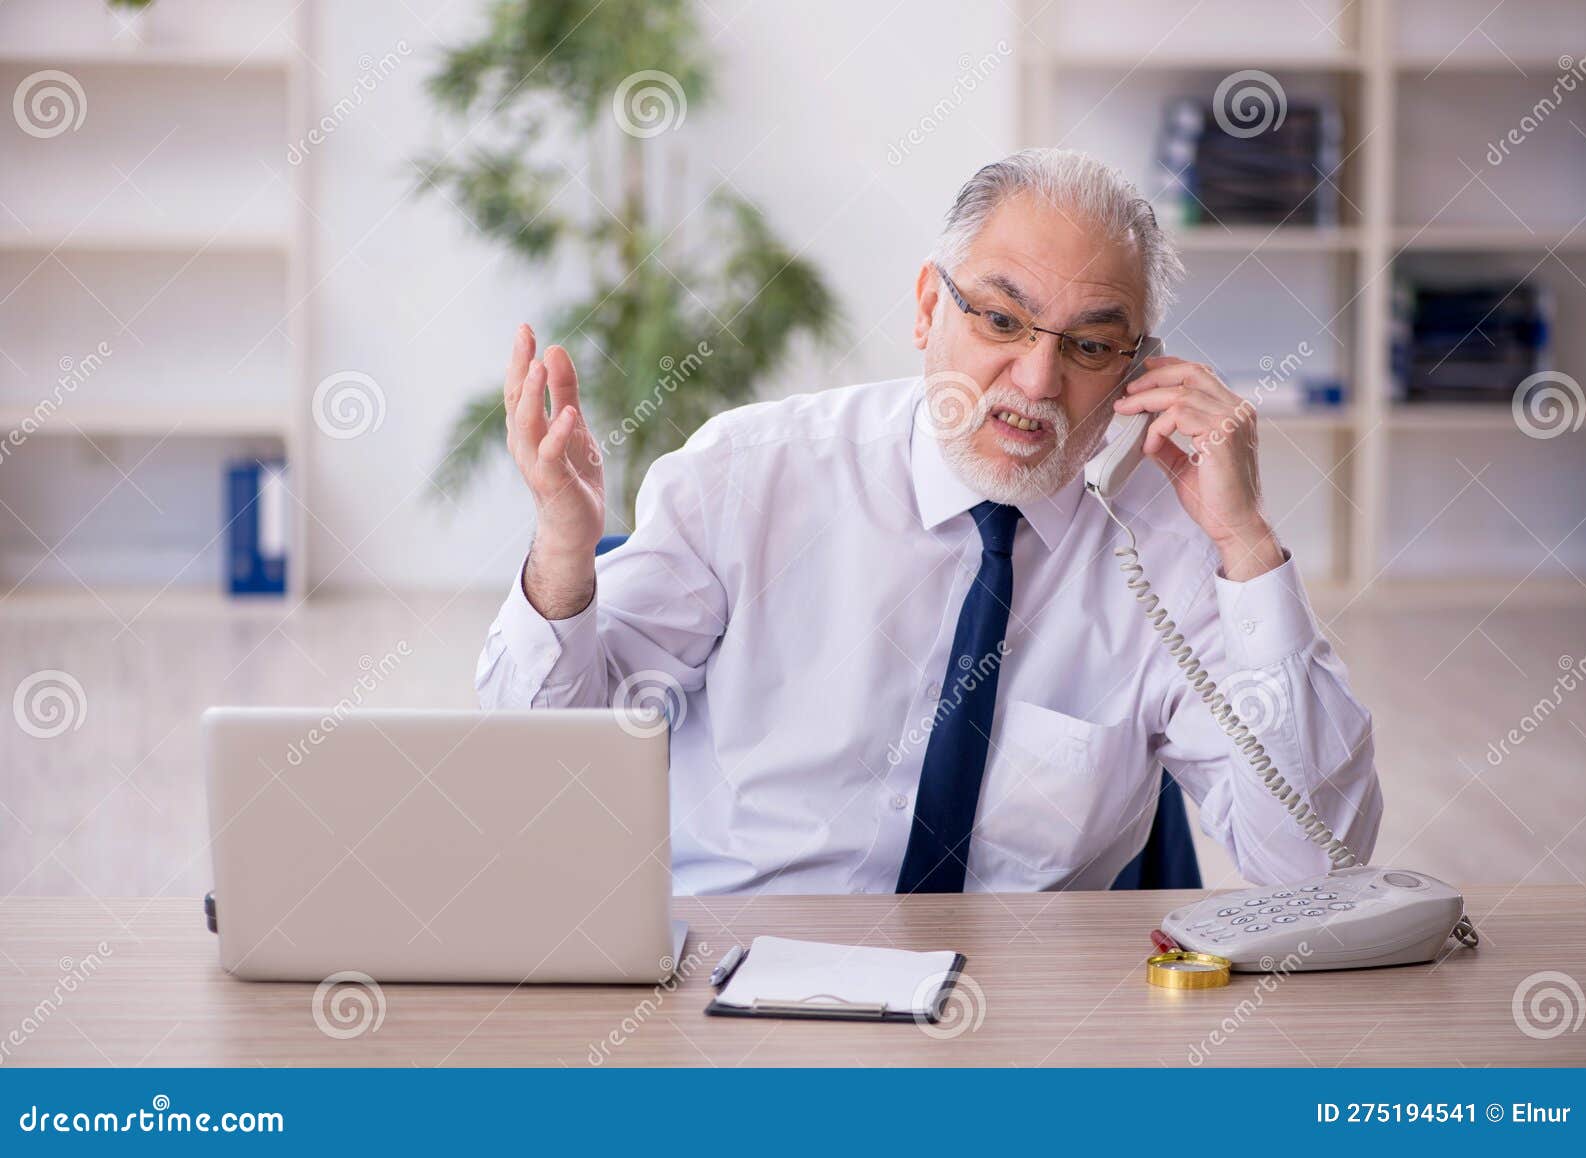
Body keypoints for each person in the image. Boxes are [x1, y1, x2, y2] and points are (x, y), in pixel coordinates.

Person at [477, 147, 1381, 896]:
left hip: (1023, 1029)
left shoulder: (1166, 546)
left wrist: (1247, 544)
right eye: (1000, 319)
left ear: (1139, 369)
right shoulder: (752, 475)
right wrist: (563, 548)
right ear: (926, 308)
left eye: (1091, 344)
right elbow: (544, 774)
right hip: (742, 993)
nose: (1036, 381)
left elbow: (1320, 864)